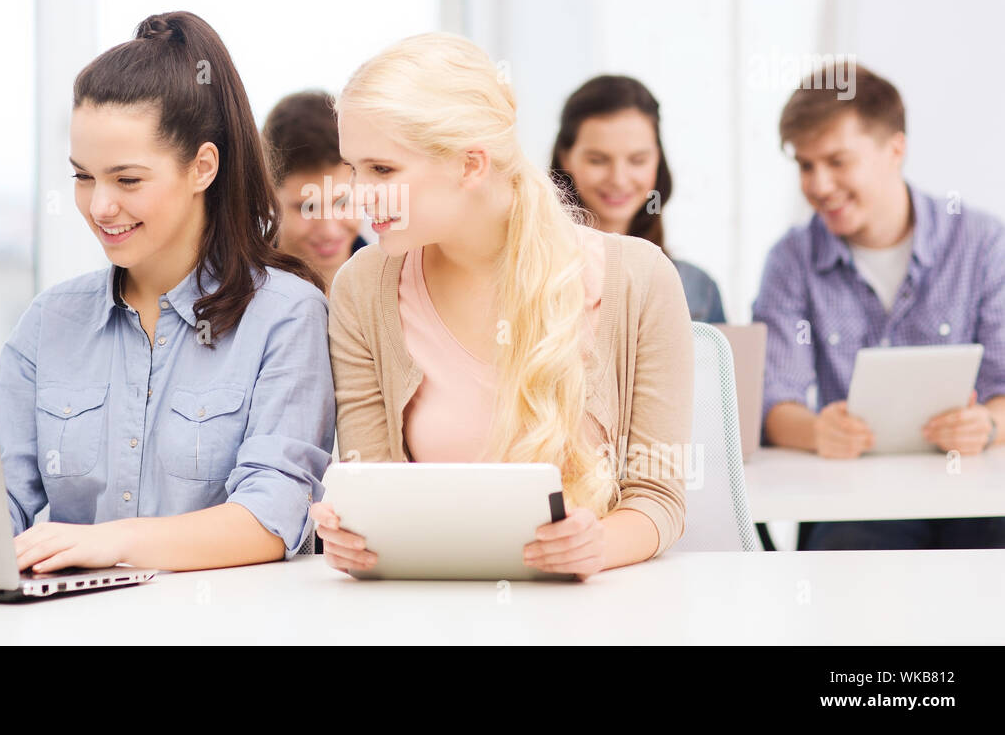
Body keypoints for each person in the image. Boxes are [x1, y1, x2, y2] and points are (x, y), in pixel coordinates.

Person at [312, 33, 694, 579]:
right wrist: (357, 542)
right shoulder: (362, 288)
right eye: (353, 168)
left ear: (470, 165)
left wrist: (596, 546)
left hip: (591, 610)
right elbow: (373, 487)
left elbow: (658, 496)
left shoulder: (641, 278)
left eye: (382, 170)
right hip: (434, 610)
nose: (358, 194)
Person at [0, 11, 336, 573]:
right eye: (83, 176)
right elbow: (2, 501)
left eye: (127, 180)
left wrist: (115, 542)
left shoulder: (286, 316)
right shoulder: (48, 321)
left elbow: (273, 513)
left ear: (202, 166)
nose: (100, 206)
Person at [753, 62, 1005, 550]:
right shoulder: (791, 260)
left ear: (895, 149)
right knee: (845, 555)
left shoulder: (982, 243)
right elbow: (773, 403)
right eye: (805, 166)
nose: (819, 186)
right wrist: (816, 431)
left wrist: (989, 424)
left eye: (837, 161)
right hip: (853, 506)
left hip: (973, 494)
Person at [550, 75, 725, 323]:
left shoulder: (697, 290)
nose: (619, 179)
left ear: (657, 159)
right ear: (566, 158)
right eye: (597, 160)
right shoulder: (533, 277)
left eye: (637, 160)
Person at [261, 89, 366, 293]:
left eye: (342, 202)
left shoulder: (400, 283)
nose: (330, 230)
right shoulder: (239, 296)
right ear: (267, 197)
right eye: (307, 207)